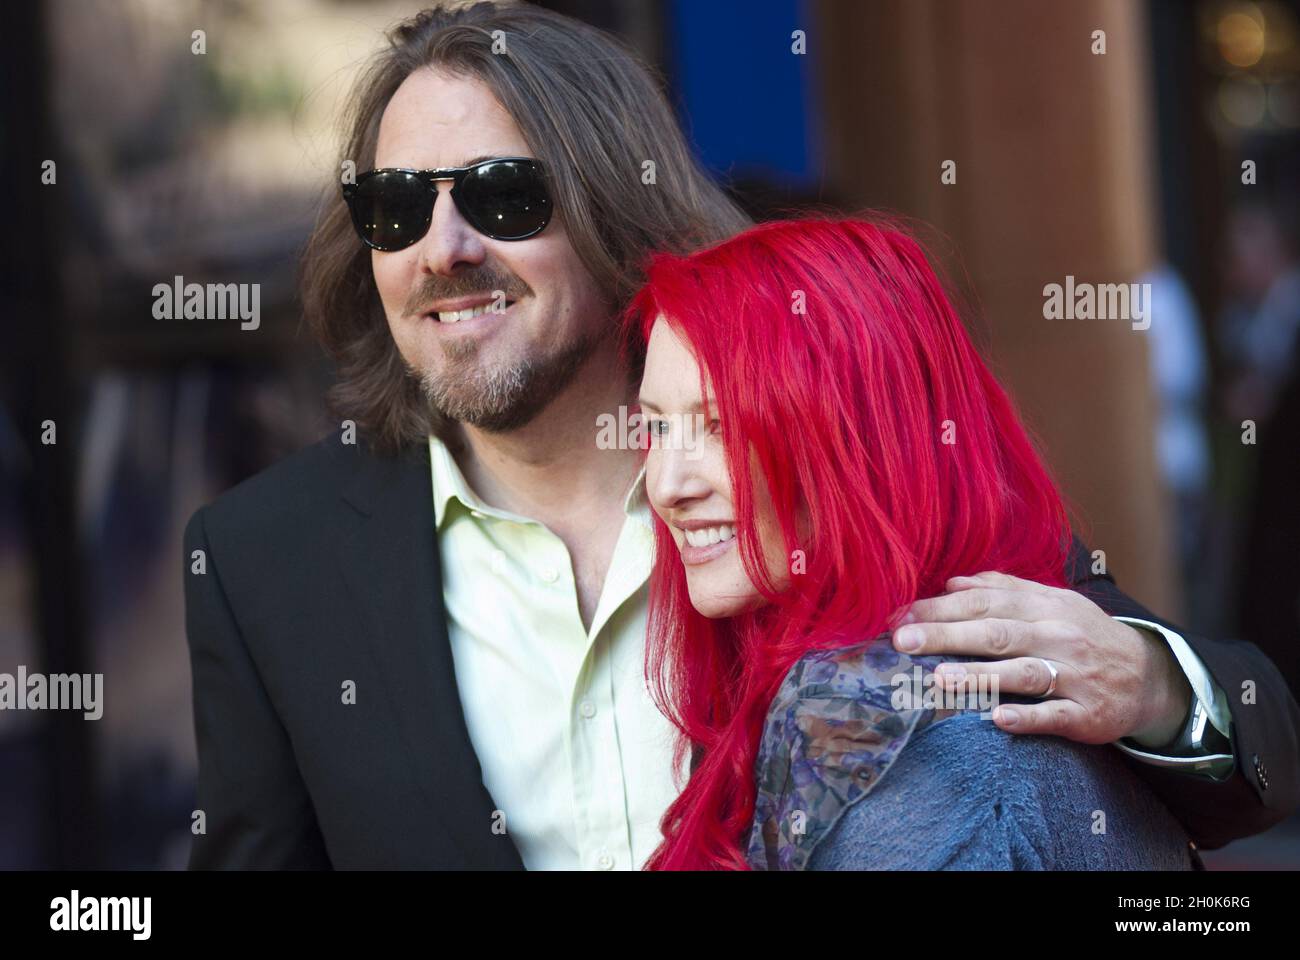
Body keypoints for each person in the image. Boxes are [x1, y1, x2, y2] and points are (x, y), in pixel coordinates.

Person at [183, 2, 1298, 870]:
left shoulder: (813, 475)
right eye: (393, 207)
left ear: (611, 203)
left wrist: (1151, 681)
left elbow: (1259, 742)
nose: (442, 247)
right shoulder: (263, 561)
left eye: (502, 195)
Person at [632, 216, 1195, 869]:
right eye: (656, 428)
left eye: (721, 426)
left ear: (858, 435)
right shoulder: (865, 673)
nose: (666, 485)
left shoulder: (877, 709)